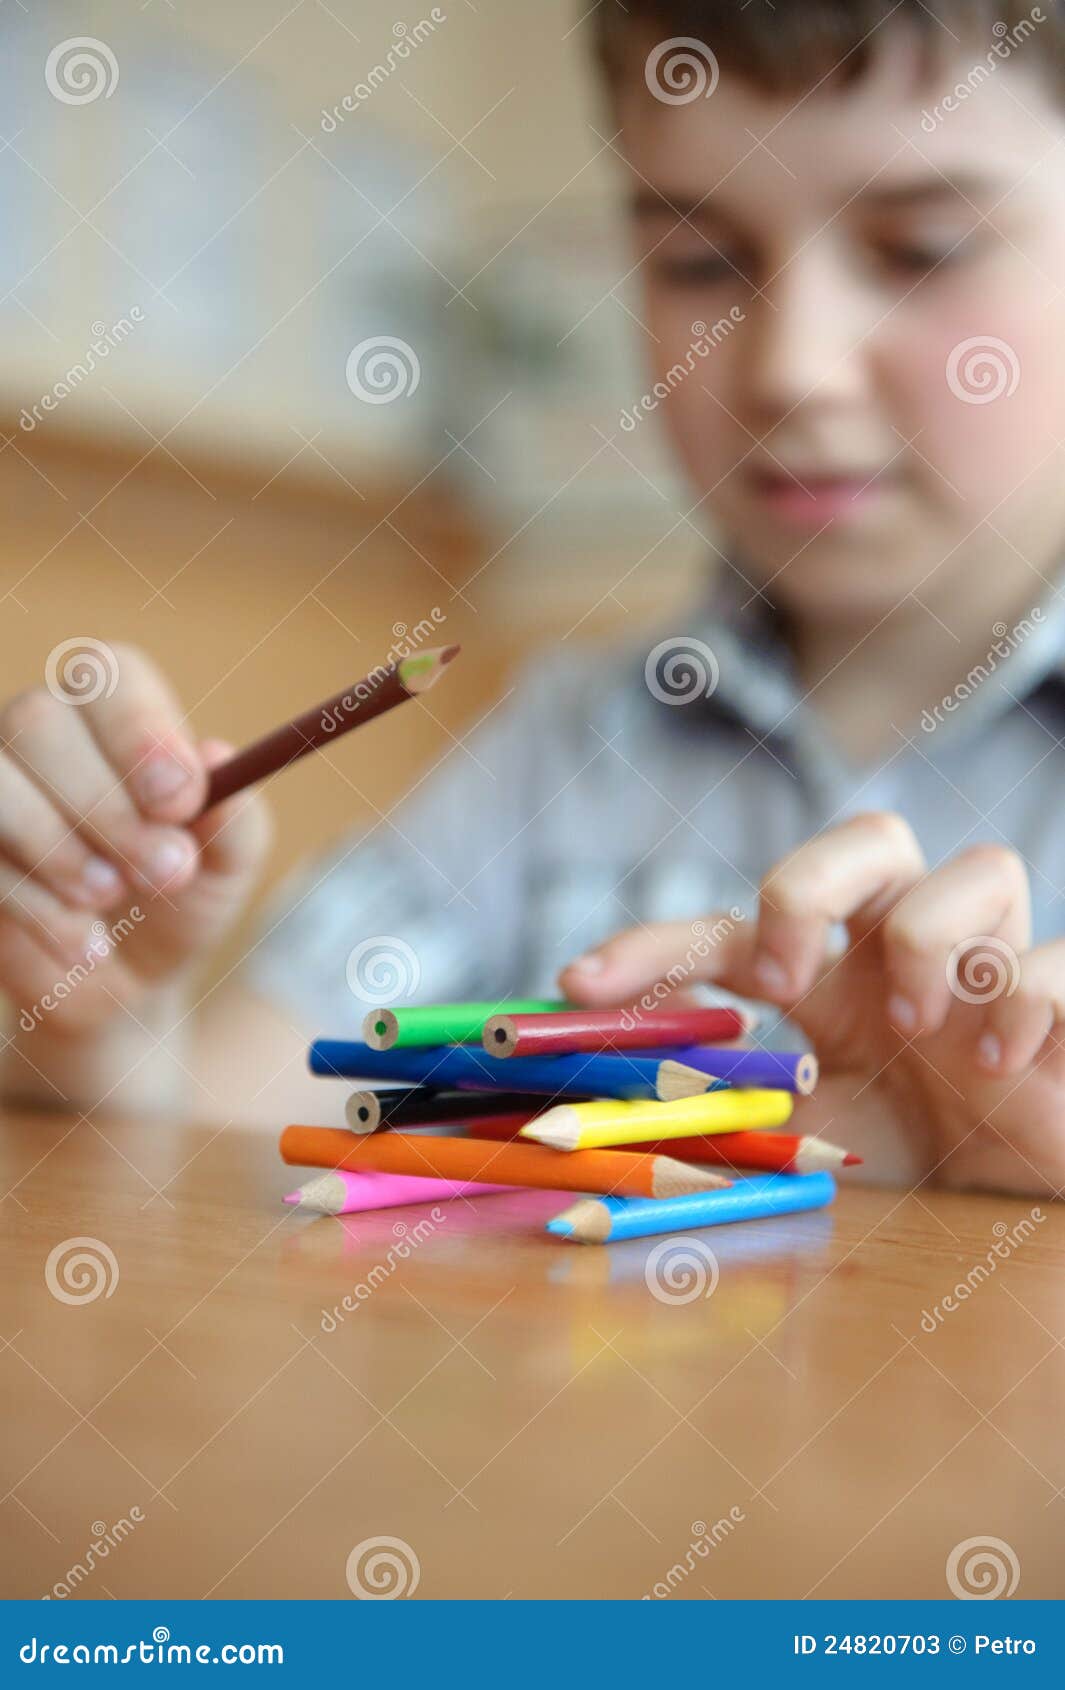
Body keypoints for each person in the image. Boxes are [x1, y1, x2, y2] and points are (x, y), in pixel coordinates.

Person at [3, 0, 1064, 1196]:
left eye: (921, 248)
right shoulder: (550, 750)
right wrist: (95, 1021)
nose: (794, 366)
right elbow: (226, 1155)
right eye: (699, 261)